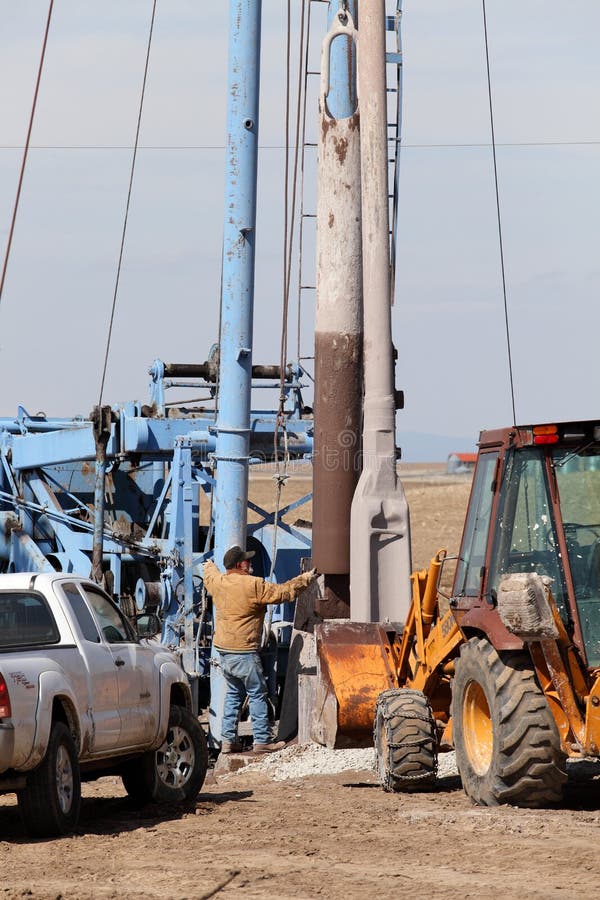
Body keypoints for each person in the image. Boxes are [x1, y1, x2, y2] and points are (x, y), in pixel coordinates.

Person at [203, 545, 316, 754]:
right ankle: (262, 740)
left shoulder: (218, 582)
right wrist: (307, 578)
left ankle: (228, 740)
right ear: (240, 565)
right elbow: (284, 592)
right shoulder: (253, 585)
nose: (251, 563)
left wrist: (208, 565)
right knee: (257, 693)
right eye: (247, 560)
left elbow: (209, 574)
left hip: (224, 651)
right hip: (244, 651)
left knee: (233, 694)